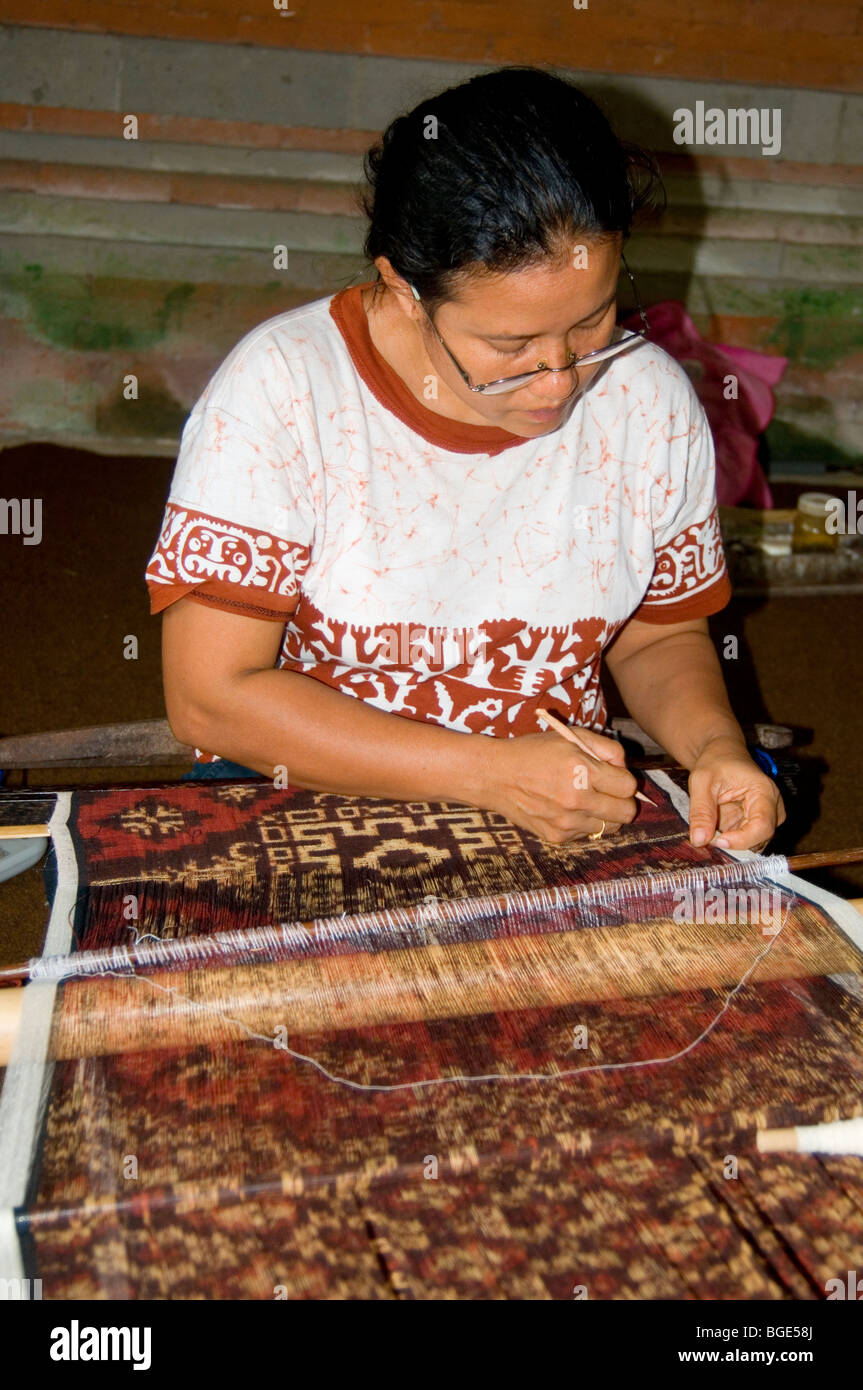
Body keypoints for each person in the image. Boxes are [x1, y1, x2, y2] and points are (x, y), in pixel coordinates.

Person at [146, 66, 784, 851]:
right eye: (509, 346)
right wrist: (487, 773)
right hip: (306, 790)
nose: (559, 381)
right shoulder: (286, 387)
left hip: (563, 799)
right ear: (404, 289)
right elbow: (211, 699)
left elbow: (655, 637)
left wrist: (713, 749)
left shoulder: (643, 399)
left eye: (590, 322)